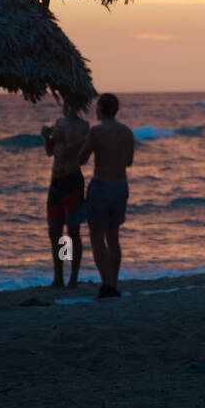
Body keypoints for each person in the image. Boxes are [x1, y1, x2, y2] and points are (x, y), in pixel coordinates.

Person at [77, 93, 135, 298]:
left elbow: (82, 159)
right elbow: (129, 162)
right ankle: (114, 283)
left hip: (101, 185)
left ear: (100, 108)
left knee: (97, 238)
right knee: (113, 237)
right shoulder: (127, 132)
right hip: (120, 187)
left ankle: (106, 283)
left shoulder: (96, 132)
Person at [43, 100, 89, 288]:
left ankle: (73, 278)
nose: (65, 106)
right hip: (56, 181)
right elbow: (49, 152)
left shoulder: (83, 126)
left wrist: (63, 132)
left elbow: (75, 150)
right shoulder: (59, 123)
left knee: (73, 231)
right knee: (56, 231)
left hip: (72, 179)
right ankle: (59, 277)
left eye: (69, 103)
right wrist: (47, 137)